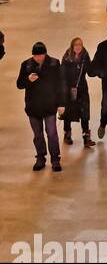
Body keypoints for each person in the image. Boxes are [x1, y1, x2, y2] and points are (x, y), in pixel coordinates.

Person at [17, 41, 65, 171]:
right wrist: (28, 80)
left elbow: (60, 84)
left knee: (52, 134)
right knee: (38, 135)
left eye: (40, 55)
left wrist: (61, 104)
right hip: (33, 107)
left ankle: (55, 159)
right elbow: (19, 84)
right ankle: (40, 158)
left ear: (45, 54)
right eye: (35, 56)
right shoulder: (26, 65)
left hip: (49, 106)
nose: (37, 58)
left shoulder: (54, 64)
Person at [60, 37, 94, 148]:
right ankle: (67, 133)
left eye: (80, 45)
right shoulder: (66, 58)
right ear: (72, 46)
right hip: (69, 88)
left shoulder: (85, 56)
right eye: (76, 45)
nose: (78, 47)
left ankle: (86, 136)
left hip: (82, 88)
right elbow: (62, 75)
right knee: (68, 112)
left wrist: (100, 69)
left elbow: (90, 71)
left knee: (84, 112)